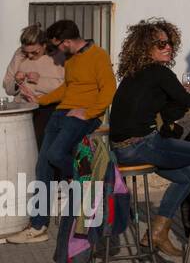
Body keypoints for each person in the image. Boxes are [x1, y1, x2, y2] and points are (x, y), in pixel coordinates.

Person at [107, 19, 190, 258]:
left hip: (121, 150)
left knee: (189, 175)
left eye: (169, 43)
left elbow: (166, 108)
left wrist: (178, 95)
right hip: (140, 146)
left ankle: (157, 232)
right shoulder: (159, 72)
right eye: (161, 44)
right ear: (145, 48)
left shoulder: (135, 74)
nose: (167, 47)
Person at [10, 20, 116, 245]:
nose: (56, 50)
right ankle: (38, 226)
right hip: (61, 113)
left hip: (82, 115)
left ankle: (90, 182)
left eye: (58, 45)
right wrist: (42, 101)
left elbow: (108, 89)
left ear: (67, 42)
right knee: (43, 166)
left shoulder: (98, 55)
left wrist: (89, 113)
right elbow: (67, 88)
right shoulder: (71, 59)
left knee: (56, 155)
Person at [3, 25, 64, 144]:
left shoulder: (57, 56)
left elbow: (66, 86)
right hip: (22, 109)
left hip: (49, 110)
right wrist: (17, 82)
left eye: (35, 52)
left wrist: (39, 81)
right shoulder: (19, 55)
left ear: (44, 45)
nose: (30, 56)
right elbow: (8, 87)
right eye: (27, 52)